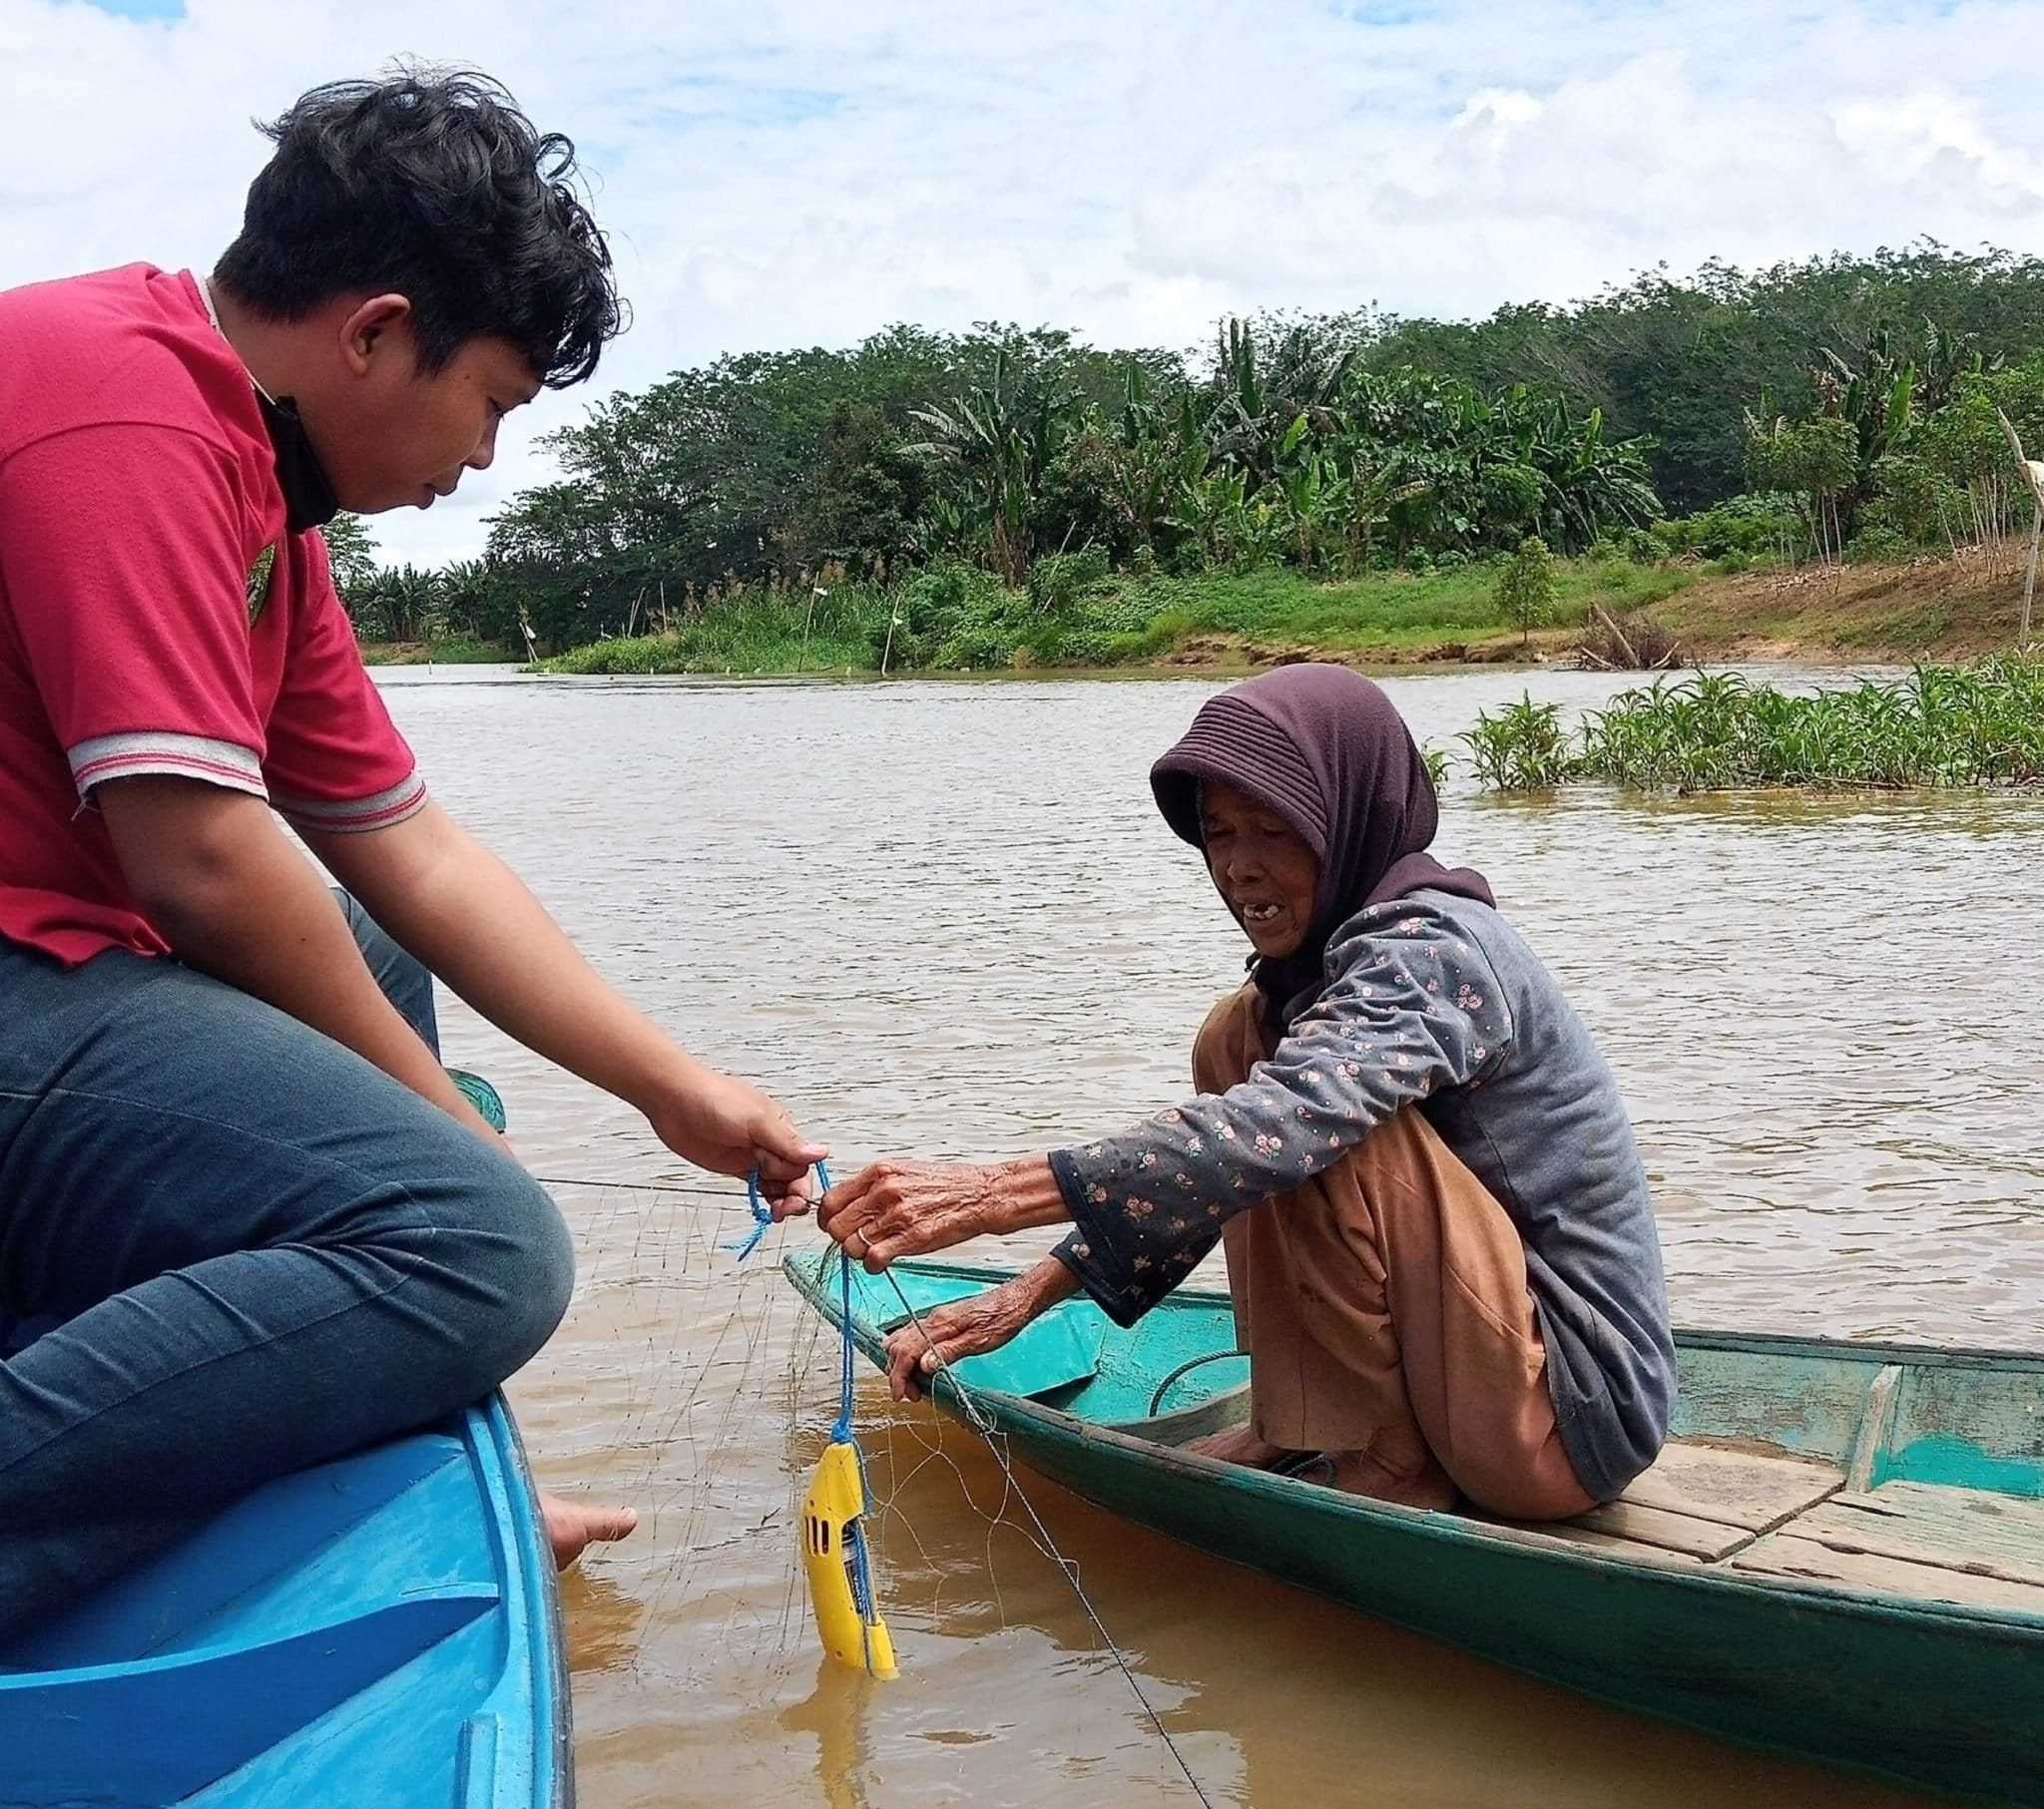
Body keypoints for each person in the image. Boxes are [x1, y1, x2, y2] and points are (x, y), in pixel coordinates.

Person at [0, 70, 823, 1638]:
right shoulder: (124, 411)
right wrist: (455, 1138)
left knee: (375, 961)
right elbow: (202, 863)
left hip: (47, 972)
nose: (487, 457)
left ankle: (390, 1446)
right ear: (377, 332)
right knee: (481, 1239)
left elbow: (413, 853)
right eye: (494, 404)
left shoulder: (264, 503)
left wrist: (672, 1087)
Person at [820, 664, 1673, 1518]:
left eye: (1274, 829)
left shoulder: (1432, 950)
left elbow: (1277, 1128)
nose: (1240, 868)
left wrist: (988, 1194)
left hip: (1568, 1416)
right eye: (1221, 833)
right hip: (1484, 1370)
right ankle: (1295, 1414)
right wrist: (1023, 1298)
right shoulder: (1324, 974)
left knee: (1306, 1123)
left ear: (1350, 817)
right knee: (1238, 1038)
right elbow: (1221, 1172)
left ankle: (1389, 1459)